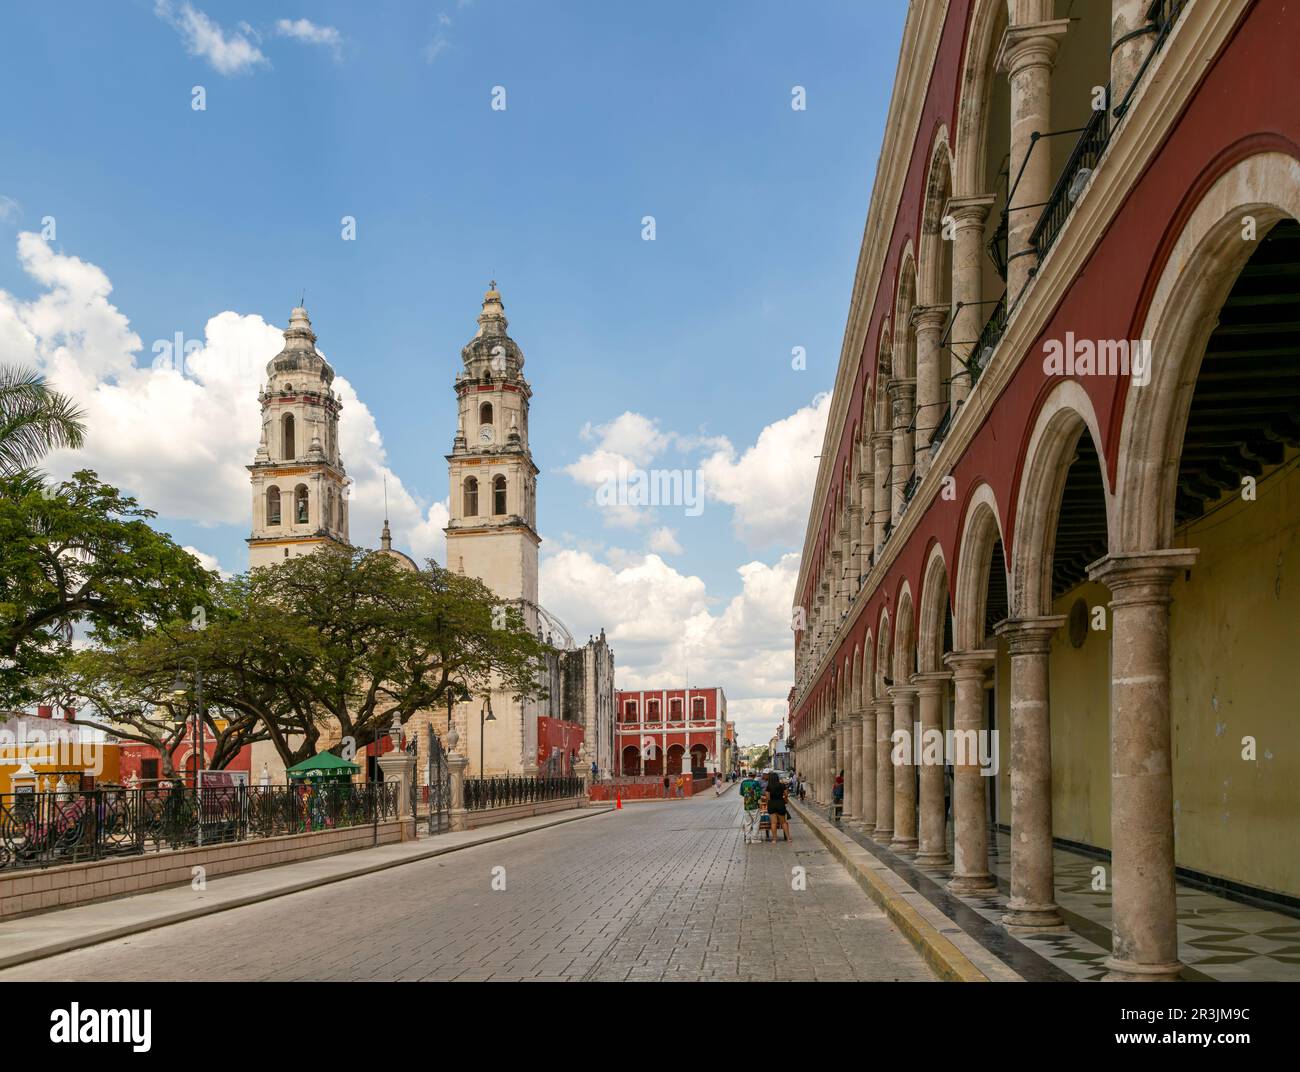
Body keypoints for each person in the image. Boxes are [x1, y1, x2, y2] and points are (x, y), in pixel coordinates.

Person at [765, 771, 790, 842]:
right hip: (780, 804)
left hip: (772, 804)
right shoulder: (782, 785)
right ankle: (788, 838)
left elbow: (767, 797)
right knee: (783, 822)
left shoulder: (769, 787)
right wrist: (784, 798)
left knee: (773, 823)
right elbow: (786, 794)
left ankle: (774, 839)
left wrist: (768, 803)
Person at [739, 769, 762, 843]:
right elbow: (758, 795)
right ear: (754, 775)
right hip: (754, 805)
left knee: (747, 822)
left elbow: (742, 793)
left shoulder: (743, 783)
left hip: (746, 806)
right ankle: (754, 838)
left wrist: (747, 795)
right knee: (756, 821)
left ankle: (748, 839)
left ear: (748, 775)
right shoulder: (756, 783)